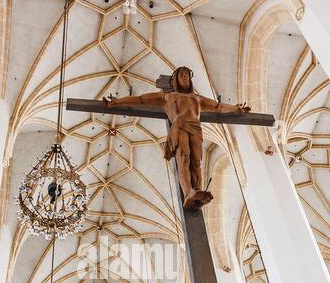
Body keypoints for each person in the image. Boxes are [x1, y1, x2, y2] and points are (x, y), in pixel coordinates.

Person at [102, 67, 249, 209]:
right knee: (183, 157)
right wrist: (118, 101)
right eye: (181, 75)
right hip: (179, 126)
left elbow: (218, 107)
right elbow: (140, 100)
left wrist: (236, 108)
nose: (185, 76)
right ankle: (188, 193)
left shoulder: (196, 98)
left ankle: (197, 190)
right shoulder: (167, 97)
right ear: (176, 80)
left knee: (196, 161)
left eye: (187, 75)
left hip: (196, 128)